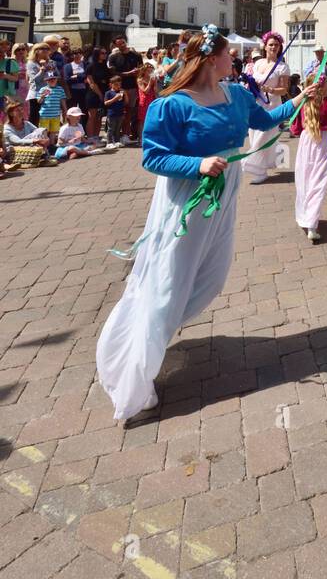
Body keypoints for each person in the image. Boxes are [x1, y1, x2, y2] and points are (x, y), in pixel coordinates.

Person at [96, 27, 315, 422]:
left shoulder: (237, 95)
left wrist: (301, 97)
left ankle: (153, 335)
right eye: (229, 53)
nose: (234, 59)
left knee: (211, 276)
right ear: (211, 59)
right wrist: (196, 164)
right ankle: (134, 372)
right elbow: (153, 157)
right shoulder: (172, 104)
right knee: (168, 283)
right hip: (188, 199)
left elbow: (265, 118)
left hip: (225, 194)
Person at [295, 82, 327, 242]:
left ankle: (305, 217)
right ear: (322, 88)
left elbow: (295, 128)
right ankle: (311, 224)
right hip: (321, 144)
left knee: (305, 182)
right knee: (318, 183)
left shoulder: (304, 104)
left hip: (306, 143)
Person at [244, 32, 291, 184]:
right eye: (271, 44)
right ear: (265, 46)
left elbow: (284, 90)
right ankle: (273, 161)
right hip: (255, 104)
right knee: (254, 135)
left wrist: (269, 90)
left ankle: (258, 170)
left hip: (272, 106)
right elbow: (251, 80)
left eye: (276, 45)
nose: (273, 47)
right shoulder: (258, 64)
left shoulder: (283, 67)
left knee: (263, 137)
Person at [107, 36, 142, 143]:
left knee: (130, 112)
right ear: (116, 45)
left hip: (132, 87)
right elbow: (113, 73)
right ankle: (116, 135)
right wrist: (128, 73)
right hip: (119, 88)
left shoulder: (136, 55)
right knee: (119, 112)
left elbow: (141, 67)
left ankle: (126, 135)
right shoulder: (113, 57)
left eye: (123, 42)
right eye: (119, 43)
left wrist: (138, 71)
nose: (122, 45)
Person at [3, 99, 51, 167]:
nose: (21, 112)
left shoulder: (27, 123)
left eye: (21, 109)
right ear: (11, 114)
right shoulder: (7, 128)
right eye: (17, 110)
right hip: (15, 149)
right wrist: (36, 140)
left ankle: (44, 156)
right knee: (36, 137)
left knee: (40, 130)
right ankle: (43, 157)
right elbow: (17, 141)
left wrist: (46, 139)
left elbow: (39, 131)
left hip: (28, 146)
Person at [84, 47, 110, 139]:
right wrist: (100, 95)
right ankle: (90, 137)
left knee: (99, 116)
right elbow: (91, 83)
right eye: (102, 53)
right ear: (97, 54)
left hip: (103, 92)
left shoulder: (104, 66)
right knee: (92, 116)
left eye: (105, 53)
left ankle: (96, 137)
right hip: (93, 93)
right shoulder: (90, 66)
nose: (104, 54)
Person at [37, 68, 66, 147]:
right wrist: (42, 96)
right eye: (50, 79)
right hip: (45, 115)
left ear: (57, 79)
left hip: (56, 114)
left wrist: (65, 110)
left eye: (54, 79)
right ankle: (45, 146)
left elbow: (62, 100)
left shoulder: (60, 89)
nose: (52, 80)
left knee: (53, 131)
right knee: (44, 131)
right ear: (46, 81)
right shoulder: (43, 89)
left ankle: (52, 145)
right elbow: (39, 101)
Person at [64, 48, 88, 115]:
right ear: (72, 55)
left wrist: (76, 76)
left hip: (84, 91)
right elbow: (67, 80)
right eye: (75, 53)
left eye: (79, 53)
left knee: (84, 110)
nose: (77, 55)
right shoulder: (67, 66)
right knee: (72, 110)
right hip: (72, 91)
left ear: (81, 55)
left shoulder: (86, 64)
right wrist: (82, 78)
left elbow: (87, 76)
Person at [104, 76, 126, 148]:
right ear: (111, 84)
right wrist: (115, 98)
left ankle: (117, 141)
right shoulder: (108, 93)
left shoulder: (121, 92)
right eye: (116, 84)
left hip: (120, 113)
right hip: (111, 114)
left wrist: (125, 94)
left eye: (119, 84)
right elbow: (106, 103)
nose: (118, 86)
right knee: (111, 128)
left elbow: (126, 102)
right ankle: (109, 142)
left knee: (118, 128)